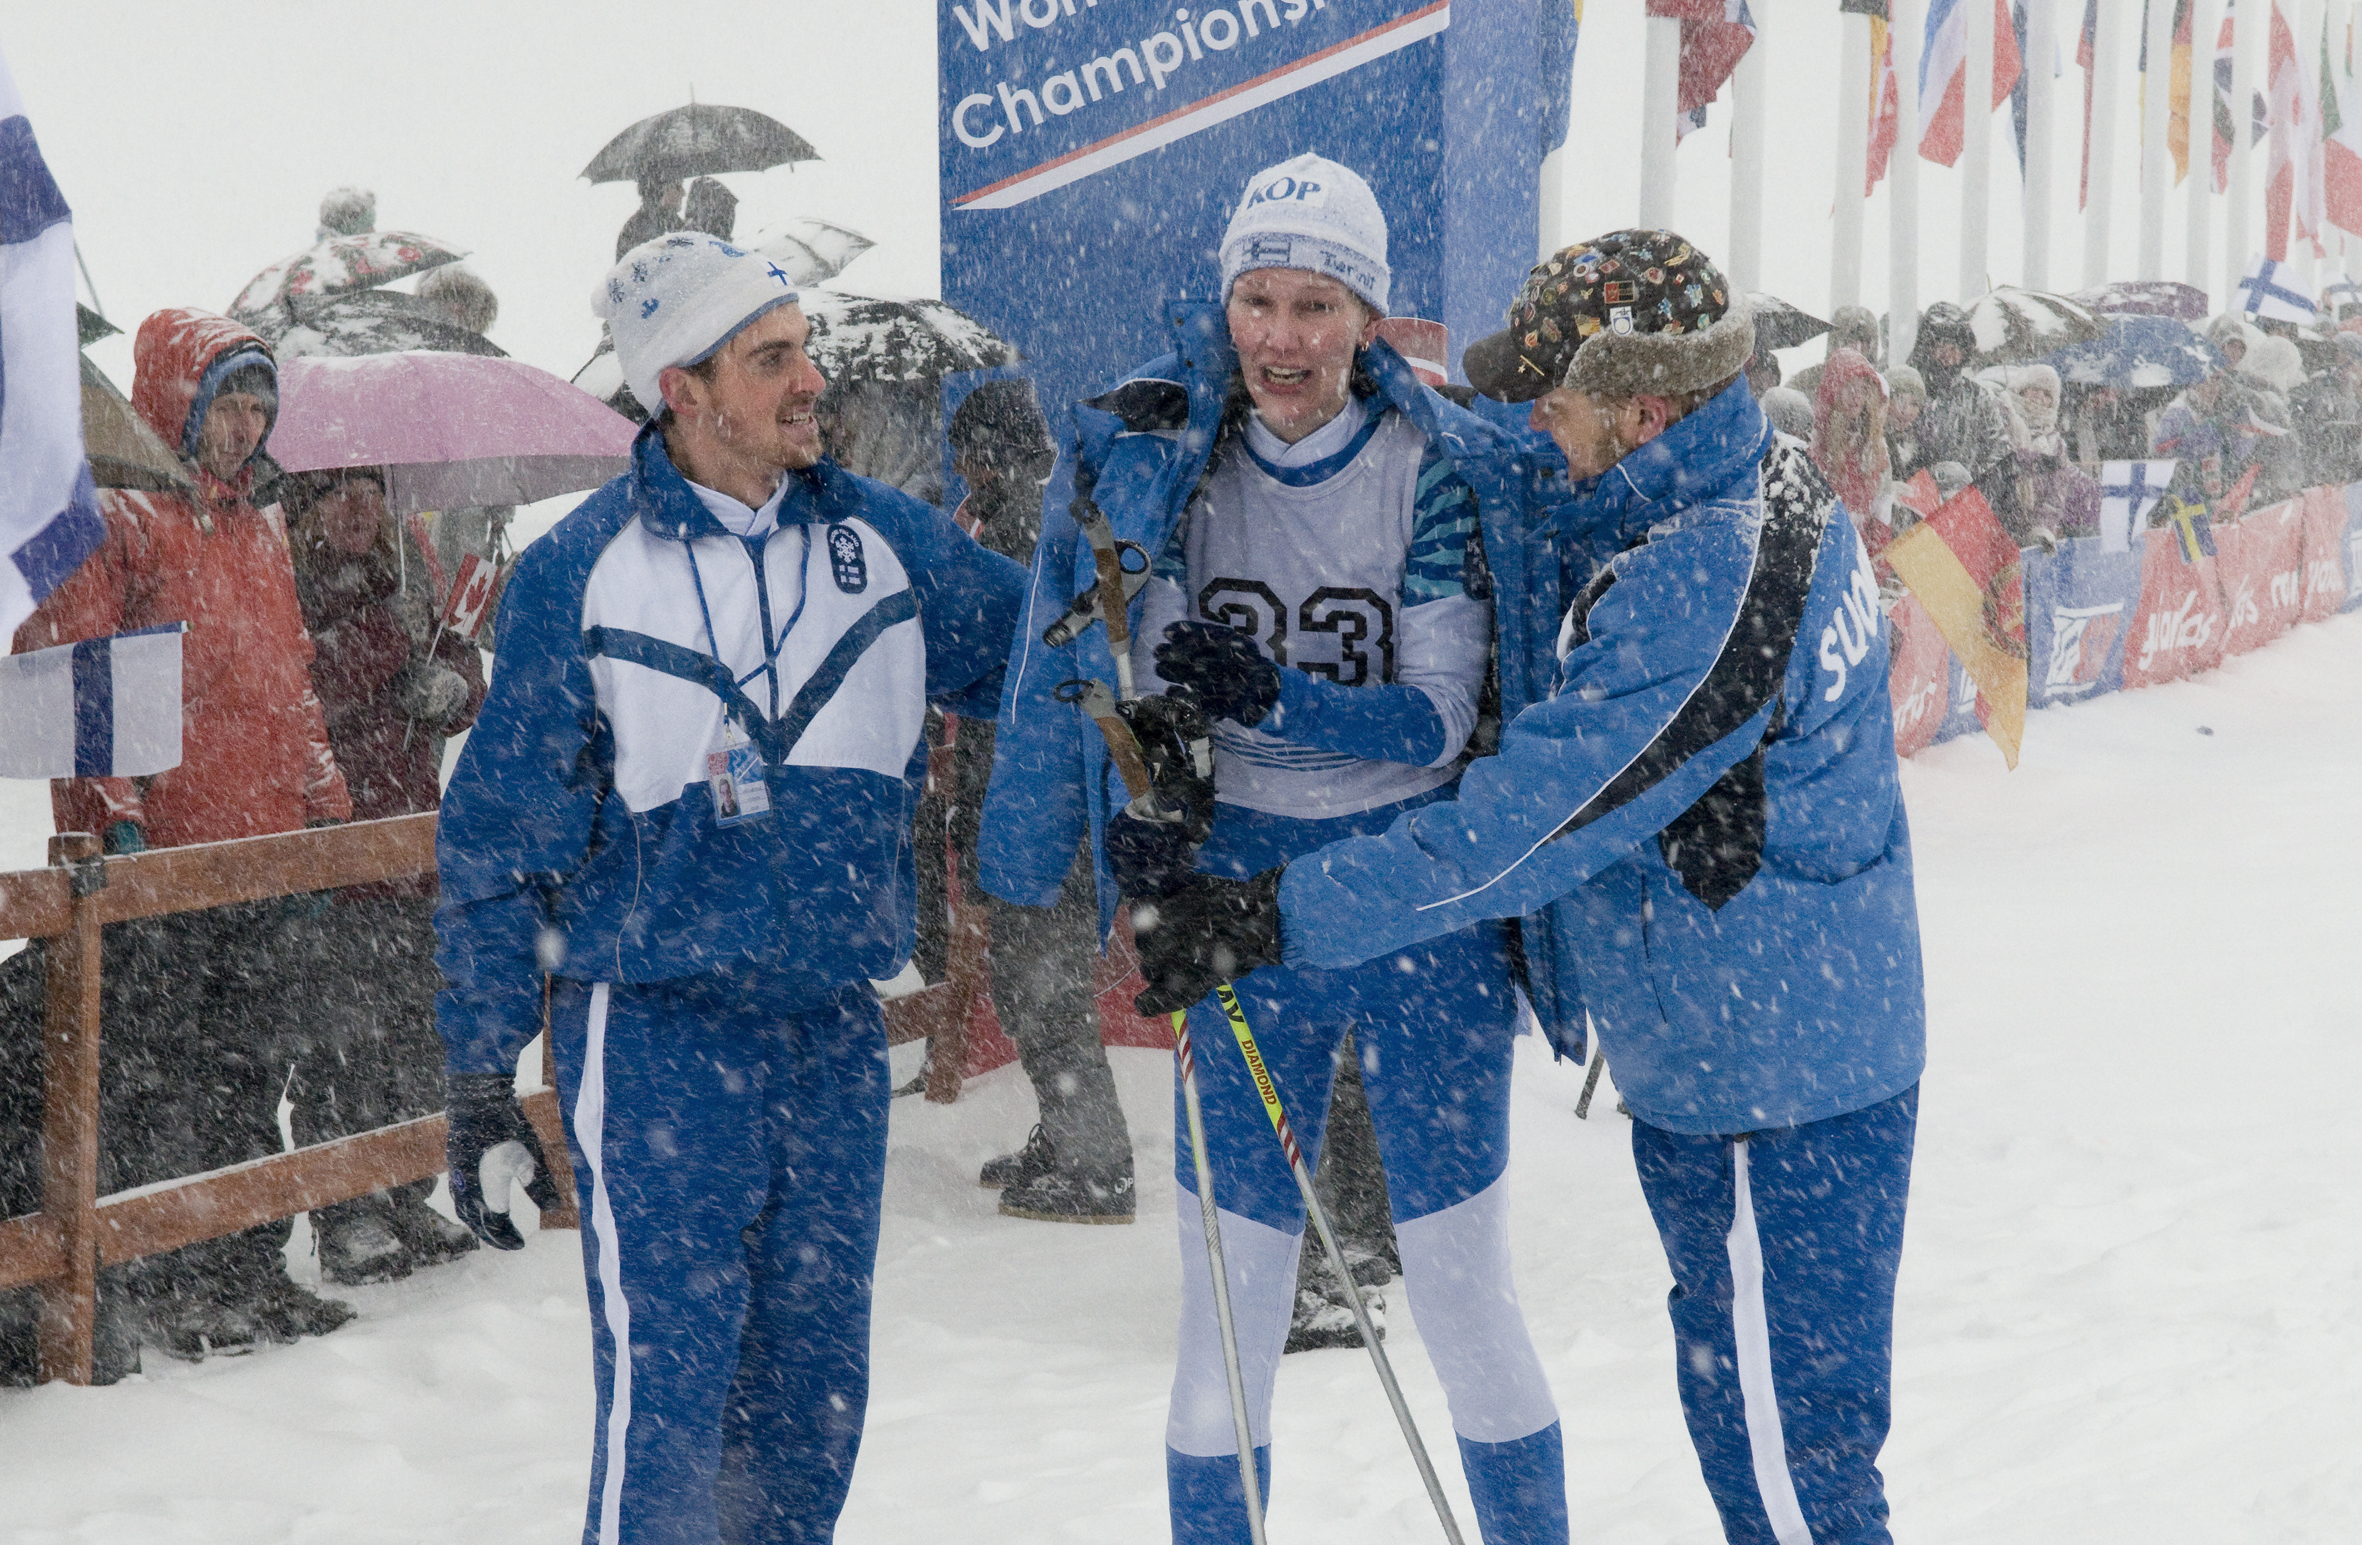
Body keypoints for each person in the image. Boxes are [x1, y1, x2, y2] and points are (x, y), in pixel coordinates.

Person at [1131, 229, 1926, 1545]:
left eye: (1555, 407)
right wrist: (1363, 372)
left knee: (1798, 1475)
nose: (1538, 435)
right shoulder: (1726, 481)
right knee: (1761, 1439)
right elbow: (1523, 463)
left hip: (1772, 1086)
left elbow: (1509, 832)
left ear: (1642, 406)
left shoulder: (1706, 579)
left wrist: (1271, 917)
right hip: (1769, 1049)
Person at [982, 152, 1569, 1545]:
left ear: (1366, 317)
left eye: (1316, 305)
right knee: (1228, 1306)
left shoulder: (1428, 465)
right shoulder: (1168, 452)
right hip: (1238, 902)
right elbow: (1142, 699)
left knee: (1459, 1284)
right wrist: (1148, 807)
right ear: (1226, 301)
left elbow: (1432, 726)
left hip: (1411, 899)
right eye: (1259, 300)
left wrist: (1271, 694)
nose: (1282, 338)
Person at [432, 234, 1027, 1544]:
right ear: (682, 389)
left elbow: (1044, 660)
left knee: (809, 1410)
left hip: (829, 1034)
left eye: (802, 348)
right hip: (657, 1039)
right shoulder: (579, 573)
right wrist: (482, 1068)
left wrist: (1137, 570)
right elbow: (496, 833)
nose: (808, 380)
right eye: (771, 359)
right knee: (671, 1418)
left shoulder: (884, 541)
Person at [12, 309, 358, 1360]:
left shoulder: (262, 522)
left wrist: (323, 794)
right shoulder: (112, 515)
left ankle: (246, 1268)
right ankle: (163, 1279)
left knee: (251, 1072)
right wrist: (113, 810)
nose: (245, 426)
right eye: (227, 404)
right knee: (153, 1079)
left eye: (260, 405)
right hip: (154, 867)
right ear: (176, 404)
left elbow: (287, 676)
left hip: (257, 856)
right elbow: (74, 667)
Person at [934, 381, 1144, 1221]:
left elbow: (1024, 690)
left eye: (965, 451)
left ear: (990, 451)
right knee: (1036, 979)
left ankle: (1096, 1166)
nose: (959, 468)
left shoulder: (1021, 526)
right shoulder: (1045, 512)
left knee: (1038, 984)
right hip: (1051, 795)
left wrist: (981, 798)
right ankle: (1069, 1133)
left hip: (1037, 800)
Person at [284, 467, 488, 1284]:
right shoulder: (291, 584)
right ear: (310, 508)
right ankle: (346, 1212)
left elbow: (463, 663)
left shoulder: (413, 571)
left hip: (412, 848)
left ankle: (406, 1191)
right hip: (336, 854)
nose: (359, 508)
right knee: (340, 1046)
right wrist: (387, 652)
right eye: (338, 494)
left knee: (413, 1035)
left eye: (371, 491)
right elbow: (302, 689)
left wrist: (455, 688)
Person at [1900, 301, 2012, 484]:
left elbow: (1999, 451)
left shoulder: (1978, 398)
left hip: (1963, 502)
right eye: (1941, 346)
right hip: (1912, 497)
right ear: (1928, 347)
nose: (1947, 354)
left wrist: (1972, 482)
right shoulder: (1908, 389)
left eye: (1954, 348)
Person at [1995, 365, 2099, 546]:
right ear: (2022, 389)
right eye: (2035, 390)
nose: (2039, 397)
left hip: (2030, 528)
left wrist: (2042, 528)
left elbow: (2056, 492)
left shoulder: (2054, 441)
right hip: (1997, 520)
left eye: (2046, 394)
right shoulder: (2002, 418)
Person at [1809, 347, 1892, 546]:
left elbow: (1881, 516)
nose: (1856, 396)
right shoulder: (1814, 442)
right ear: (1833, 389)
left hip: (1859, 557)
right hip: (1824, 549)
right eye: (1849, 387)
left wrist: (1874, 566)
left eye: (1863, 389)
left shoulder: (1876, 447)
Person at [2289, 331, 2362, 485]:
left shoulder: (2355, 395)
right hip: (2322, 476)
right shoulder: (2320, 384)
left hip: (2347, 478)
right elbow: (2310, 431)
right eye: (2340, 354)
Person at [1789, 303, 1880, 399]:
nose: (1858, 346)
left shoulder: (1881, 385)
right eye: (1850, 340)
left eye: (1865, 340)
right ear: (1836, 341)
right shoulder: (1806, 382)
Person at [614, 174, 685, 259]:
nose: (683, 192)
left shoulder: (676, 223)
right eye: (677, 187)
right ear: (660, 191)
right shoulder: (639, 229)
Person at [1883, 362, 1926, 474]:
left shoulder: (1922, 444)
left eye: (1914, 404)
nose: (1906, 411)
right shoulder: (1868, 440)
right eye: (1900, 401)